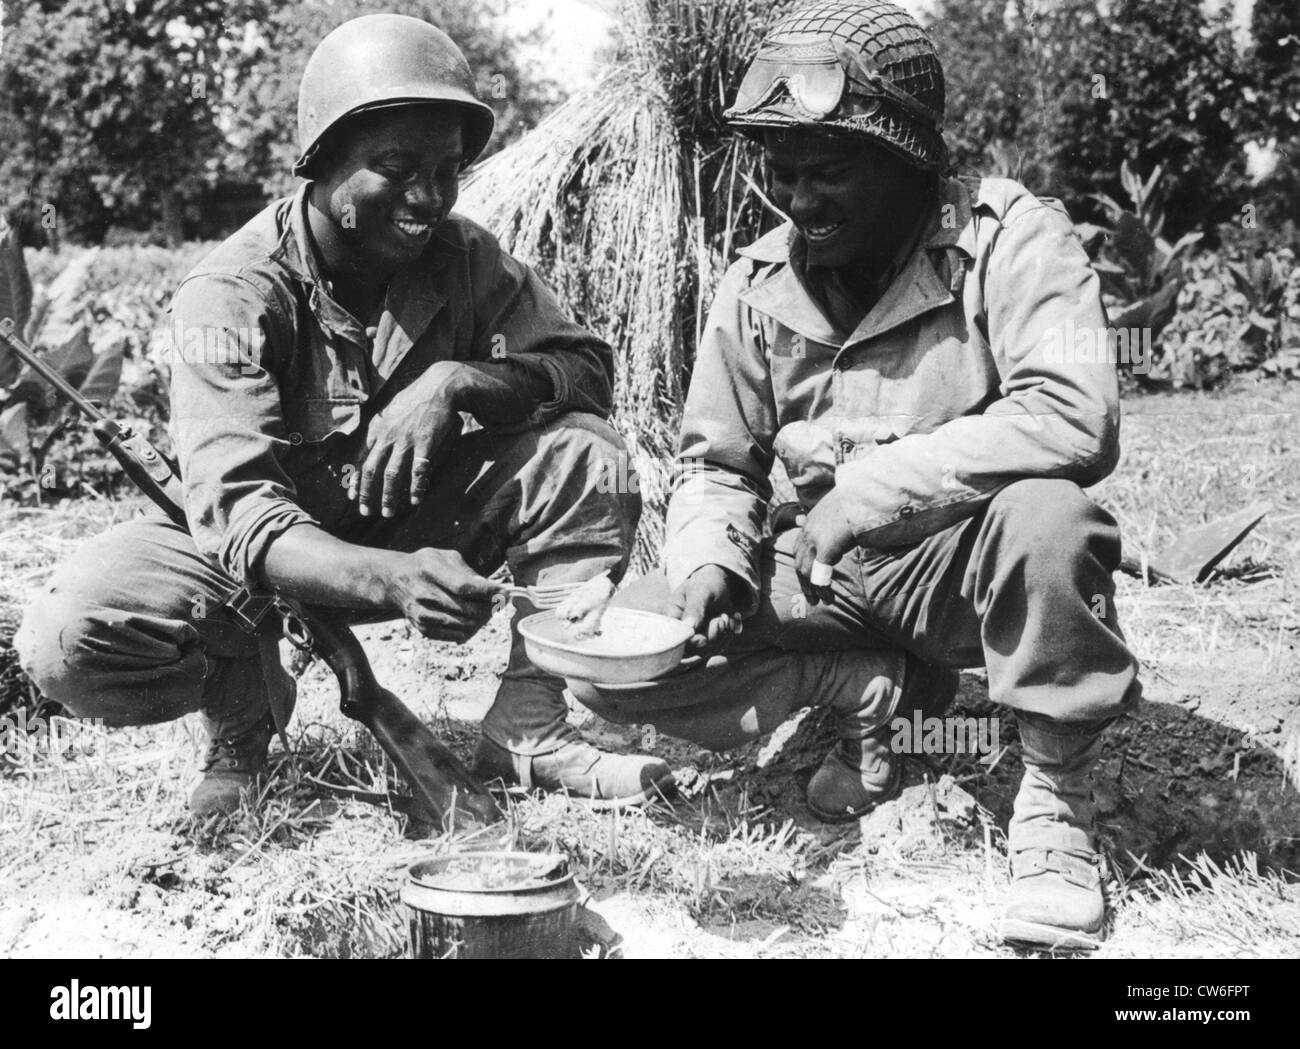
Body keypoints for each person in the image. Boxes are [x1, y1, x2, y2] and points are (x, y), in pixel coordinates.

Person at [568, 0, 1141, 950]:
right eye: (782, 173)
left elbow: (1075, 415)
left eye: (830, 173)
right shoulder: (756, 284)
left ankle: (1054, 801)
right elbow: (718, 460)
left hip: (960, 569)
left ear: (909, 159)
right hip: (823, 581)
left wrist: (869, 493)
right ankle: (870, 692)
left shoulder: (1011, 240)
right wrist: (711, 558)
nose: (800, 201)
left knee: (1052, 522)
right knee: (618, 658)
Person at [15, 14, 671, 818]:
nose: (428, 197)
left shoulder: (465, 258)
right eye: (395, 168)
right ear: (320, 163)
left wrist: (457, 383)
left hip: (407, 525)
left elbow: (587, 370)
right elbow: (244, 515)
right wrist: (393, 580)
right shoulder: (233, 293)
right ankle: (244, 706)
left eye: (448, 169)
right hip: (255, 564)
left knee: (585, 454)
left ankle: (527, 731)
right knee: (69, 633)